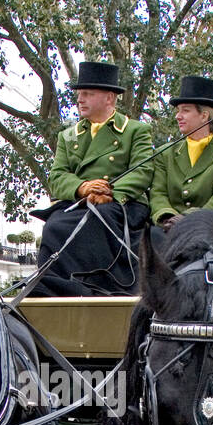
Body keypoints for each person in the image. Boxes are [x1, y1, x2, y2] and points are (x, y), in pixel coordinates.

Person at [30, 61, 154, 295]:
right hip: (80, 202)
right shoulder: (68, 136)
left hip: (120, 205)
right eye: (79, 94)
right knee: (54, 227)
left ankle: (100, 288)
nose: (80, 99)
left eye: (87, 94)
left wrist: (110, 192)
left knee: (97, 219)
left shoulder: (135, 131)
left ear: (109, 98)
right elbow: (57, 177)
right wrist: (83, 187)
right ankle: (55, 289)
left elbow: (143, 170)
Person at [150, 76, 213, 231]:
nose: (178, 116)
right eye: (178, 111)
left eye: (185, 111)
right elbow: (158, 193)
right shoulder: (164, 153)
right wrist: (168, 218)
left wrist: (186, 219)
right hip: (168, 229)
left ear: (204, 116)